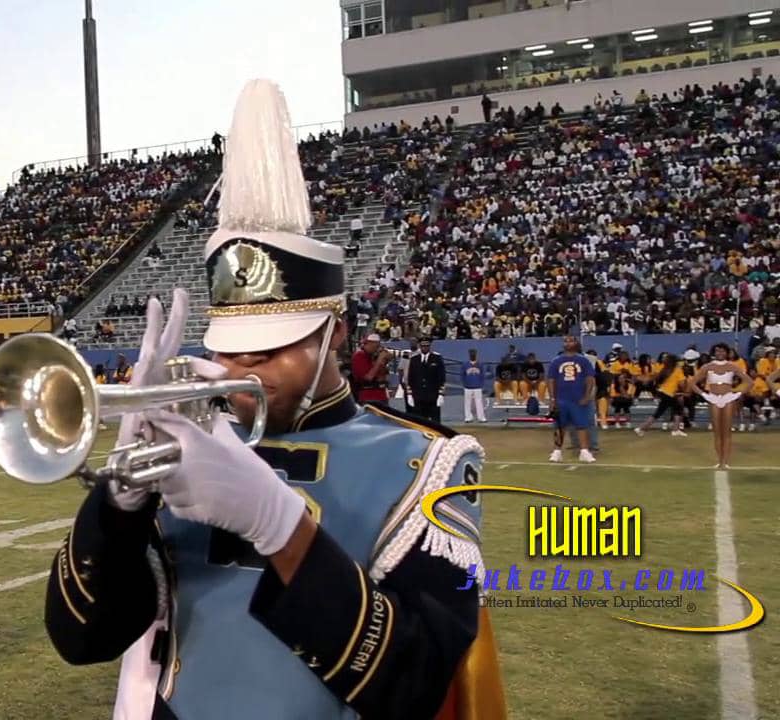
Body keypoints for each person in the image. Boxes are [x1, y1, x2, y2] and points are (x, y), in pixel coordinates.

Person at [42, 79, 505, 720]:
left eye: (273, 347)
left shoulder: (426, 460)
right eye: (232, 347)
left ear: (335, 331)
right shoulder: (189, 446)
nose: (245, 367)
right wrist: (117, 501)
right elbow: (83, 638)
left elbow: (417, 679)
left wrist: (280, 526)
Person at [690, 343, 751, 469]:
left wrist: (737, 394)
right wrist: (705, 395)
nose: (720, 353)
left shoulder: (732, 366)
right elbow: (693, 383)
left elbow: (749, 382)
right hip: (713, 398)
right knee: (717, 432)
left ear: (727, 352)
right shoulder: (707, 367)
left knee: (727, 432)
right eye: (717, 351)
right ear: (714, 352)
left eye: (722, 351)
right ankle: (720, 461)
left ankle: (725, 461)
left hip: (728, 398)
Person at [547, 337, 596, 463]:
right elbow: (551, 380)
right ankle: (557, 452)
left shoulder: (583, 360)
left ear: (576, 343)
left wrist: (587, 396)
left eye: (571, 341)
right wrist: (552, 399)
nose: (568, 343)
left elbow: (590, 379)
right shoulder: (556, 361)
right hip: (561, 399)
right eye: (566, 341)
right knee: (559, 426)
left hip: (578, 399)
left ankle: (584, 451)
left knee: (582, 425)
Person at [405, 337, 446, 422]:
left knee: (435, 422)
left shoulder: (437, 358)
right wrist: (409, 394)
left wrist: (441, 394)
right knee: (419, 421)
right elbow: (410, 379)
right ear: (420, 346)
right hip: (418, 396)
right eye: (422, 346)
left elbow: (442, 378)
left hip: (433, 396)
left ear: (429, 346)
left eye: (427, 346)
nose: (424, 348)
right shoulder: (414, 359)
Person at [349, 333, 391, 404]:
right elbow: (368, 377)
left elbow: (383, 375)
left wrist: (384, 361)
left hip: (381, 395)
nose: (376, 349)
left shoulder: (373, 356)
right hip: (369, 396)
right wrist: (379, 360)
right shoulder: (359, 356)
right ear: (368, 343)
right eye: (375, 346)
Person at [462, 348, 486, 423]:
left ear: (476, 354)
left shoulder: (480, 364)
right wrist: (465, 384)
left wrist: (481, 384)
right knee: (467, 402)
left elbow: (482, 375)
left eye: (473, 353)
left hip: (477, 386)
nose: (472, 355)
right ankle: (468, 417)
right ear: (469, 355)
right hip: (467, 387)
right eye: (471, 353)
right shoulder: (465, 364)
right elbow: (462, 375)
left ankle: (481, 417)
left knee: (479, 402)